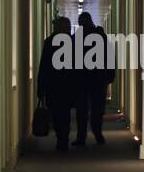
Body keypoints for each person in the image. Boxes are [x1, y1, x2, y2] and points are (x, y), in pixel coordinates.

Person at [73, 11, 115, 146]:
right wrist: (110, 75)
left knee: (82, 109)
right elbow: (110, 56)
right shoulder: (100, 36)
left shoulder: (78, 37)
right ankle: (97, 133)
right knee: (97, 108)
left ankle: (82, 137)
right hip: (97, 78)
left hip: (82, 79)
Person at [37, 17, 74, 152]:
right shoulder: (72, 42)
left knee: (57, 112)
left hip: (53, 85)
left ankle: (61, 137)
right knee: (65, 112)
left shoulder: (49, 42)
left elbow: (44, 66)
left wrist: (40, 87)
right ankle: (63, 137)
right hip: (68, 85)